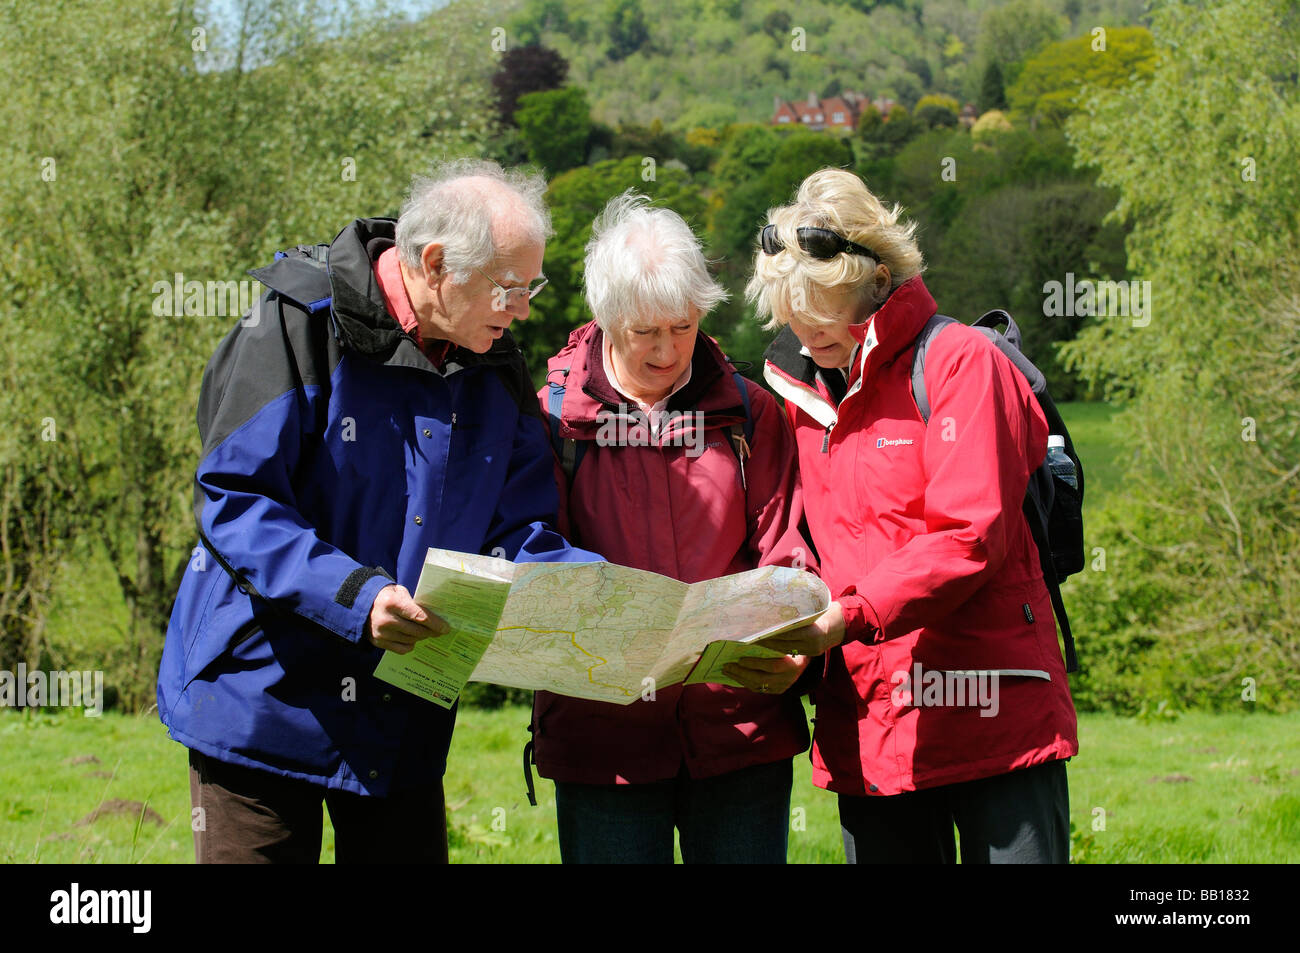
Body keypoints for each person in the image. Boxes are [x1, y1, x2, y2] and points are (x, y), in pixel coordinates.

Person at [158, 158, 597, 864]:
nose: (524, 309)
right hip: (260, 700)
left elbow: (517, 532)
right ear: (434, 264)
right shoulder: (294, 323)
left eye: (531, 285)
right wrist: (356, 597)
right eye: (510, 287)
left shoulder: (496, 363)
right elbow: (238, 501)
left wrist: (606, 594)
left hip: (403, 714)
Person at [747, 168, 1078, 864]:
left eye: (822, 306)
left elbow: (967, 536)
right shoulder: (796, 396)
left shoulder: (962, 364)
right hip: (871, 723)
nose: (806, 330)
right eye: (790, 311)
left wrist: (848, 614)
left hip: (995, 716)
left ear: (876, 281)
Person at [529, 191, 815, 864]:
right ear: (606, 320)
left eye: (682, 327)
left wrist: (796, 618)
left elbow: (787, 545)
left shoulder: (750, 415)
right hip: (607, 742)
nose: (666, 350)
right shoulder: (550, 422)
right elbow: (532, 557)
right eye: (644, 332)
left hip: (740, 734)